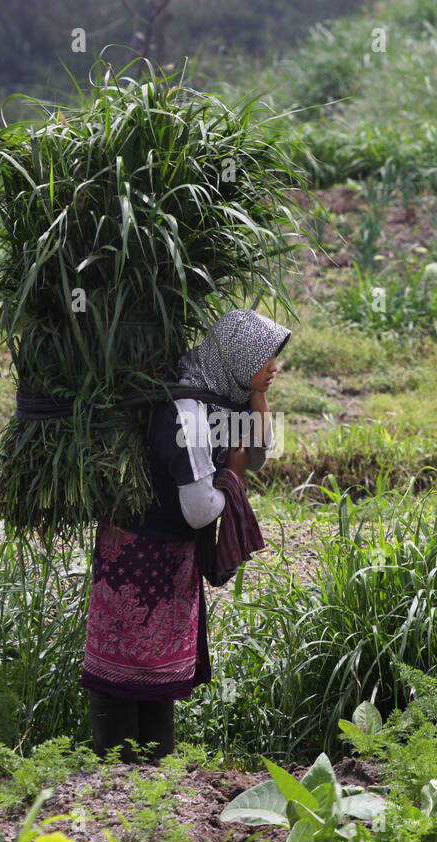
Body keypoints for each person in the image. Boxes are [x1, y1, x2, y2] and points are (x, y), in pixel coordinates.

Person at [81, 308, 291, 764]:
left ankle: (153, 777)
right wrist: (231, 478)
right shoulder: (189, 414)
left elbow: (257, 456)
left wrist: (257, 401)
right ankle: (116, 778)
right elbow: (200, 513)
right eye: (266, 358)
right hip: (137, 554)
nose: (276, 367)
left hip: (170, 556)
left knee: (157, 675)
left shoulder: (223, 399)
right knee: (123, 669)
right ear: (236, 356)